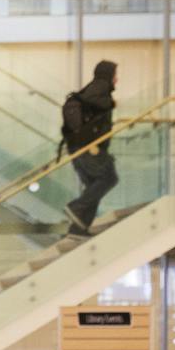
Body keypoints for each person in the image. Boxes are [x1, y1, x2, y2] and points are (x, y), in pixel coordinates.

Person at [63, 60, 120, 237]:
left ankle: (78, 228)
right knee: (109, 178)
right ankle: (76, 206)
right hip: (89, 147)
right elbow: (92, 100)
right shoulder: (100, 86)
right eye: (115, 75)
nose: (117, 79)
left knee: (94, 186)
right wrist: (111, 104)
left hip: (77, 146)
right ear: (107, 75)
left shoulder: (93, 87)